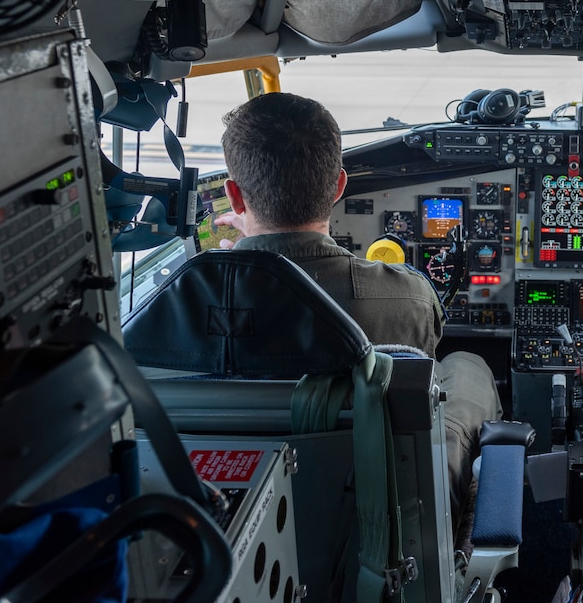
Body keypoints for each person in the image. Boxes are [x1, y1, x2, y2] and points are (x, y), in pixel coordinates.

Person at [214, 92, 503, 528]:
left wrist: (242, 259)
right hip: (383, 509)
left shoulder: (179, 307)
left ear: (235, 197)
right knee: (467, 364)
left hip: (236, 502)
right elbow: (423, 381)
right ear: (338, 188)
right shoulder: (410, 298)